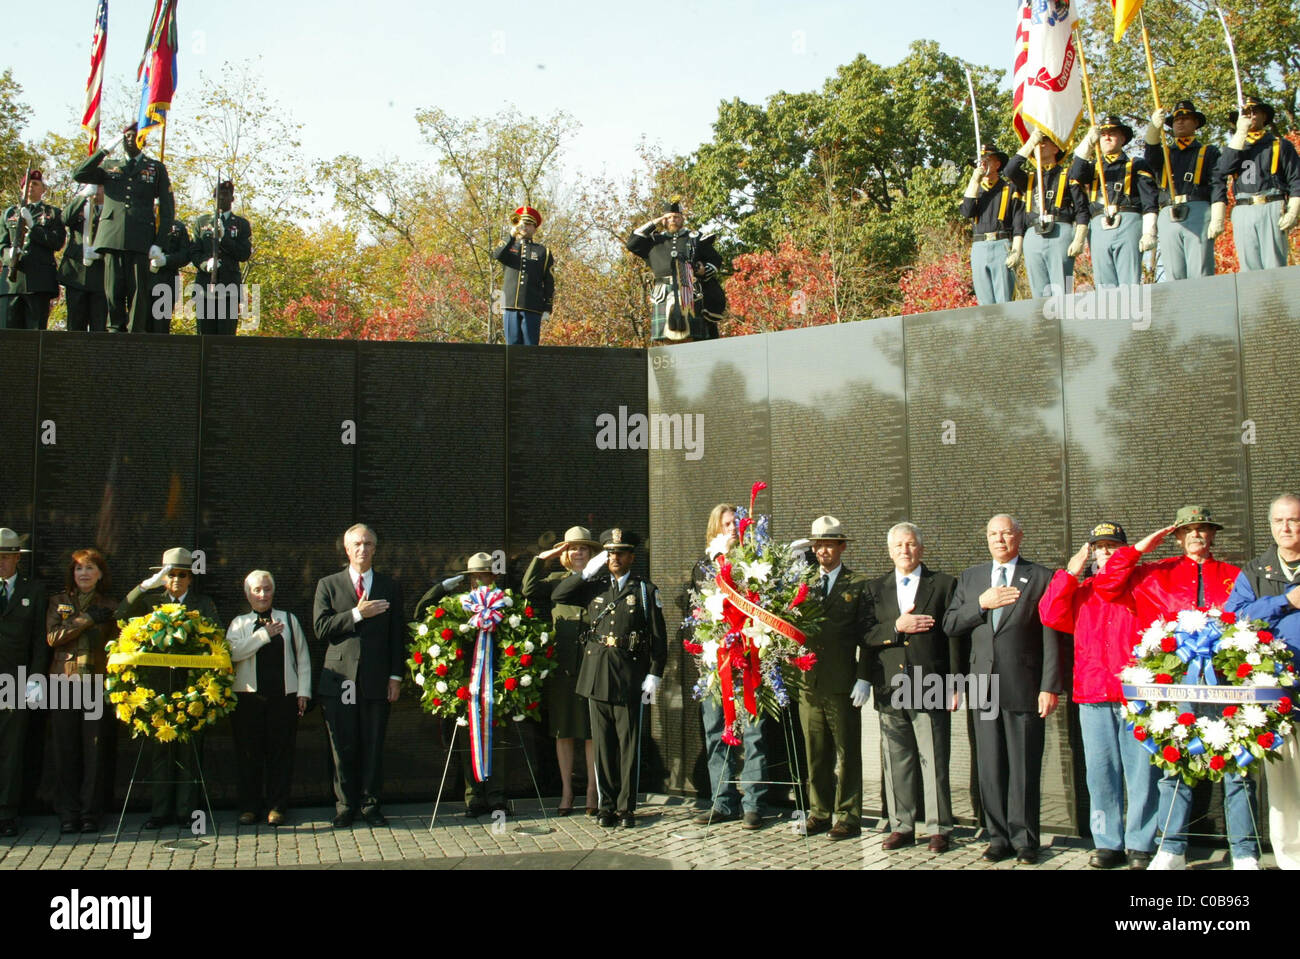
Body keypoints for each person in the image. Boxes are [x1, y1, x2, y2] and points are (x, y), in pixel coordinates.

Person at [1091, 505, 1256, 870]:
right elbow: (1105, 585)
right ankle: (1171, 848)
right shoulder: (1155, 574)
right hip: (1173, 687)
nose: (1197, 534)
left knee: (1237, 768)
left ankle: (1244, 851)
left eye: (1203, 529)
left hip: (1224, 686)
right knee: (1173, 767)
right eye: (1188, 529)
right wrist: (1139, 549)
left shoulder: (1233, 574)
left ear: (1212, 535)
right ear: (1177, 536)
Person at [1037, 522, 1157, 870]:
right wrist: (1068, 574)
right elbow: (1049, 614)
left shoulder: (1139, 584)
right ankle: (1108, 843)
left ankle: (1139, 844)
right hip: (1092, 693)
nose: (1105, 552)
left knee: (1140, 774)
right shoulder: (1080, 589)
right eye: (1099, 546)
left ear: (1123, 550)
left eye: (1112, 546)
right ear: (1090, 552)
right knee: (1101, 774)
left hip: (1132, 694)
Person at [943, 514, 1061, 865]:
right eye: (993, 534)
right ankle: (997, 838)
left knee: (1024, 766)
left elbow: (1051, 636)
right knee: (990, 766)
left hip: (1024, 686)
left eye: (1006, 533)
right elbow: (951, 625)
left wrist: (1049, 685)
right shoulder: (972, 578)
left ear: (1019, 537)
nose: (999, 539)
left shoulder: (1041, 577)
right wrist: (982, 603)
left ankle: (1026, 841)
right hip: (982, 687)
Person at [551, 528, 666, 827]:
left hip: (629, 675)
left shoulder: (644, 590)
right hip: (597, 674)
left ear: (631, 556)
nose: (615, 557)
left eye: (620, 552)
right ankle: (607, 806)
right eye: (610, 553)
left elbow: (658, 638)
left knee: (628, 744)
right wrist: (586, 572)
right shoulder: (594, 586)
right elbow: (558, 594)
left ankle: (627, 808)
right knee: (602, 744)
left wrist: (654, 674)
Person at [864, 522, 958, 853]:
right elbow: (867, 634)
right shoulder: (875, 589)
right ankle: (902, 825)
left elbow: (953, 639)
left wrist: (957, 684)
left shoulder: (944, 585)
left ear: (921, 548)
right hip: (890, 687)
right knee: (896, 760)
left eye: (911, 544)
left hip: (931, 684)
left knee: (934, 760)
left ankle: (939, 828)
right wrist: (896, 627)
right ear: (890, 551)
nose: (905, 550)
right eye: (899, 545)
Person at [115, 547, 219, 829]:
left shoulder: (204, 603)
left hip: (191, 688)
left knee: (189, 753)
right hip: (156, 687)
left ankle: (186, 812)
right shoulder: (150, 602)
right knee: (160, 752)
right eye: (170, 574)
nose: (175, 580)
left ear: (190, 578)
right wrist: (143, 586)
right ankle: (159, 812)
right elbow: (120, 614)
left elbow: (215, 639)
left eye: (181, 574)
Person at [1225, 493, 1300, 870]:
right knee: (1284, 788)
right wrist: (1286, 600)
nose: (1286, 528)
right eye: (1279, 521)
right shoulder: (1255, 571)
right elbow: (1234, 619)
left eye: (1294, 520)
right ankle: (1291, 862)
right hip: (1278, 696)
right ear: (1271, 525)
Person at [313, 524, 404, 828]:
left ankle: (371, 805)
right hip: (340, 679)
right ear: (346, 549)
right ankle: (345, 805)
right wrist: (356, 614)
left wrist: (395, 677)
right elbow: (321, 628)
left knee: (373, 744)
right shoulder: (329, 584)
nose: (362, 549)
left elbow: (397, 635)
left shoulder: (389, 586)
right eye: (357, 544)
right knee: (343, 745)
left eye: (368, 544)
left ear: (375, 549)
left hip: (376, 680)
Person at [690, 504, 770, 830]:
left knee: (753, 734)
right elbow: (698, 612)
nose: (733, 529)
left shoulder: (753, 560)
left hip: (748, 659)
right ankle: (722, 802)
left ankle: (753, 804)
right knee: (715, 733)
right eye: (726, 524)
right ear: (715, 528)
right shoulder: (703, 567)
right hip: (716, 661)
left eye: (736, 523)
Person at [797, 515, 875, 840]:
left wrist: (864, 677)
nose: (822, 550)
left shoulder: (858, 584)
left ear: (841, 546)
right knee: (815, 753)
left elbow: (868, 636)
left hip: (843, 682)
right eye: (817, 544)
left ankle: (848, 815)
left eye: (829, 544)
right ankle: (819, 811)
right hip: (808, 684)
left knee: (847, 753)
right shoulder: (802, 583)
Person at [417, 552, 511, 816]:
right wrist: (445, 584)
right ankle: (474, 797)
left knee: (497, 741)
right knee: (469, 741)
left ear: (493, 577)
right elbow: (420, 609)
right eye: (475, 577)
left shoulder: (505, 604)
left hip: (496, 682)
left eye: (485, 576)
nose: (480, 581)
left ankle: (497, 796)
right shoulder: (457, 604)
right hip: (465, 683)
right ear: (468, 580)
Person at [522, 527, 601, 816]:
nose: (577, 552)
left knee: (592, 732)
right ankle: (567, 792)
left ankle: (592, 791)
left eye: (583, 547)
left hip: (592, 664)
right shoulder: (556, 580)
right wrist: (545, 557)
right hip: (563, 668)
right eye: (571, 548)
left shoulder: (600, 581)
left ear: (592, 553)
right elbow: (528, 589)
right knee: (563, 732)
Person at [225, 569, 311, 826]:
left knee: (280, 754)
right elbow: (233, 653)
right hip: (247, 698)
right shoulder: (239, 623)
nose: (262, 594)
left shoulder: (289, 620)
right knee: (248, 755)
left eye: (267, 589)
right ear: (248, 594)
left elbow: (303, 657)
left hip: (283, 697)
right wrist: (263, 635)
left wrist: (304, 692)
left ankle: (277, 806)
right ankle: (249, 807)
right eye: (257, 590)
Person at [72, 122, 173, 333]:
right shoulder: (110, 165)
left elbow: (167, 208)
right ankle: (115, 331)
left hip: (141, 237)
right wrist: (104, 150)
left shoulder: (155, 168)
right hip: (111, 235)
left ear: (143, 139)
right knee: (112, 290)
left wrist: (159, 242)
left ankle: (135, 332)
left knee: (138, 292)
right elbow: (79, 174)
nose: (129, 140)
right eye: (125, 136)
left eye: (134, 136)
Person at [45, 548, 117, 834]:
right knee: (65, 749)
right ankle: (67, 812)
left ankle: (91, 812)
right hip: (64, 683)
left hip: (96, 683)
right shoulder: (58, 602)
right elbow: (53, 637)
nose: (83, 574)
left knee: (95, 750)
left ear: (100, 574)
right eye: (78, 569)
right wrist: (85, 619)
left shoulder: (110, 605)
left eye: (89, 568)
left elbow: (117, 645)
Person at [1069, 116, 1160, 288]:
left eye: (1112, 133)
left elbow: (1149, 199)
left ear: (1123, 138)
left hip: (1127, 220)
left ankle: (1130, 314)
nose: (1107, 137)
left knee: (1129, 281)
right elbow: (1075, 173)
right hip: (1098, 223)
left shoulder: (1136, 164)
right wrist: (1088, 142)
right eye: (1103, 134)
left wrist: (1149, 231)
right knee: (1104, 283)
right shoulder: (1093, 167)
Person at [0, 528, 49, 837]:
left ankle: (6, 812)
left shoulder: (34, 591)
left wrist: (34, 680)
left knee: (11, 750)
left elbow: (39, 642)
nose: (0, 563)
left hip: (15, 682)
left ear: (17, 558)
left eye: (5, 557)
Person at [1215, 95, 1300, 271]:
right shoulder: (1235, 147)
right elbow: (1223, 170)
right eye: (1245, 113)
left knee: (1274, 264)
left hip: (1271, 204)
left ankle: (1276, 298)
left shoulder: (1279, 145)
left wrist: (1293, 211)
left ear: (1264, 116)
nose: (1251, 116)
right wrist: (1240, 133)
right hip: (1243, 207)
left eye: (1255, 112)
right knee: (1248, 266)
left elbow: (1296, 179)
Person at [1142, 100, 1225, 280]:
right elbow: (1149, 155)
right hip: (1169, 211)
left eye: (1186, 118)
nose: (1180, 122)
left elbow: (1217, 183)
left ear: (1196, 123)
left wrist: (1218, 216)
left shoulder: (1208, 151)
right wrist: (1153, 128)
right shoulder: (1164, 152)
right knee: (1174, 273)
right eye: (1176, 119)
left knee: (1200, 271)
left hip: (1198, 210)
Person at [1005, 129, 1090, 299]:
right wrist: (1029, 144)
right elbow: (1010, 170)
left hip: (1060, 230)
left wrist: (1079, 237)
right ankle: (1044, 326)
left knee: (1062, 291)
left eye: (1044, 141)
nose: (1040, 145)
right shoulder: (1028, 178)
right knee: (1039, 293)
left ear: (1055, 148)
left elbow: (1081, 209)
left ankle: (1065, 324)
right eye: (1038, 141)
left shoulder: (1067, 174)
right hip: (1033, 234)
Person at [626, 199, 724, 343]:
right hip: (662, 292)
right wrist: (655, 222)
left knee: (692, 338)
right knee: (666, 340)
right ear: (663, 220)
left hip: (690, 290)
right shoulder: (653, 241)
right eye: (669, 217)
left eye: (676, 217)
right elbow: (632, 243)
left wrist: (704, 270)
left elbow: (715, 260)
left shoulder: (695, 238)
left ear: (682, 218)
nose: (673, 220)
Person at [1, 169, 66, 330]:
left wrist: (34, 227)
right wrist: (9, 256)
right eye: (27, 184)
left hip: (39, 282)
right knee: (7, 337)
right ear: (21, 188)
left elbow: (57, 242)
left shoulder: (53, 213)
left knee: (35, 339)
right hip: (12, 282)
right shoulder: (9, 213)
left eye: (35, 184)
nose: (31, 186)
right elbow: (1, 244)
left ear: (43, 189)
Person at [960, 144, 1024, 305]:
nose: (982, 164)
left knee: (1004, 299)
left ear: (997, 164)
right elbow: (967, 212)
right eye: (980, 161)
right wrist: (975, 180)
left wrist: (1016, 250)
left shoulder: (1009, 188)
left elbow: (1018, 222)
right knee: (984, 301)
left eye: (987, 160)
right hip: (979, 245)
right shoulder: (974, 190)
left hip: (1002, 244)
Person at [190, 180, 252, 336]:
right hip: (205, 287)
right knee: (204, 338)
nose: (221, 199)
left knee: (225, 339)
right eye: (218, 196)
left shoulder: (241, 224)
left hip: (229, 287)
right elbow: (194, 253)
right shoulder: (202, 222)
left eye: (225, 195)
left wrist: (224, 239)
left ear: (232, 198)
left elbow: (244, 254)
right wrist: (206, 264)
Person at [493, 205, 554, 346]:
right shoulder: (509, 247)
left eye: (528, 224)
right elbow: (497, 254)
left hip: (532, 306)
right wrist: (510, 236)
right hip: (509, 305)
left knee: (530, 347)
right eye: (521, 223)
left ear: (535, 228)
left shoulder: (543, 252)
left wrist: (547, 307)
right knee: (511, 347)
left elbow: (549, 283)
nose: (524, 227)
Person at [58, 186, 108, 333]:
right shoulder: (80, 205)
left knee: (99, 327)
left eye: (100, 186)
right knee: (75, 326)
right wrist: (82, 195)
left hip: (101, 273)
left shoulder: (112, 209)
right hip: (76, 273)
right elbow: (65, 218)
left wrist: (102, 253)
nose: (97, 190)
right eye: (94, 186)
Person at [148, 196, 190, 334]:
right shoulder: (142, 225)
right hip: (143, 281)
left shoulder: (178, 227)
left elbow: (185, 255)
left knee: (161, 329)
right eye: (155, 205)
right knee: (140, 328)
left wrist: (166, 260)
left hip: (166, 283)